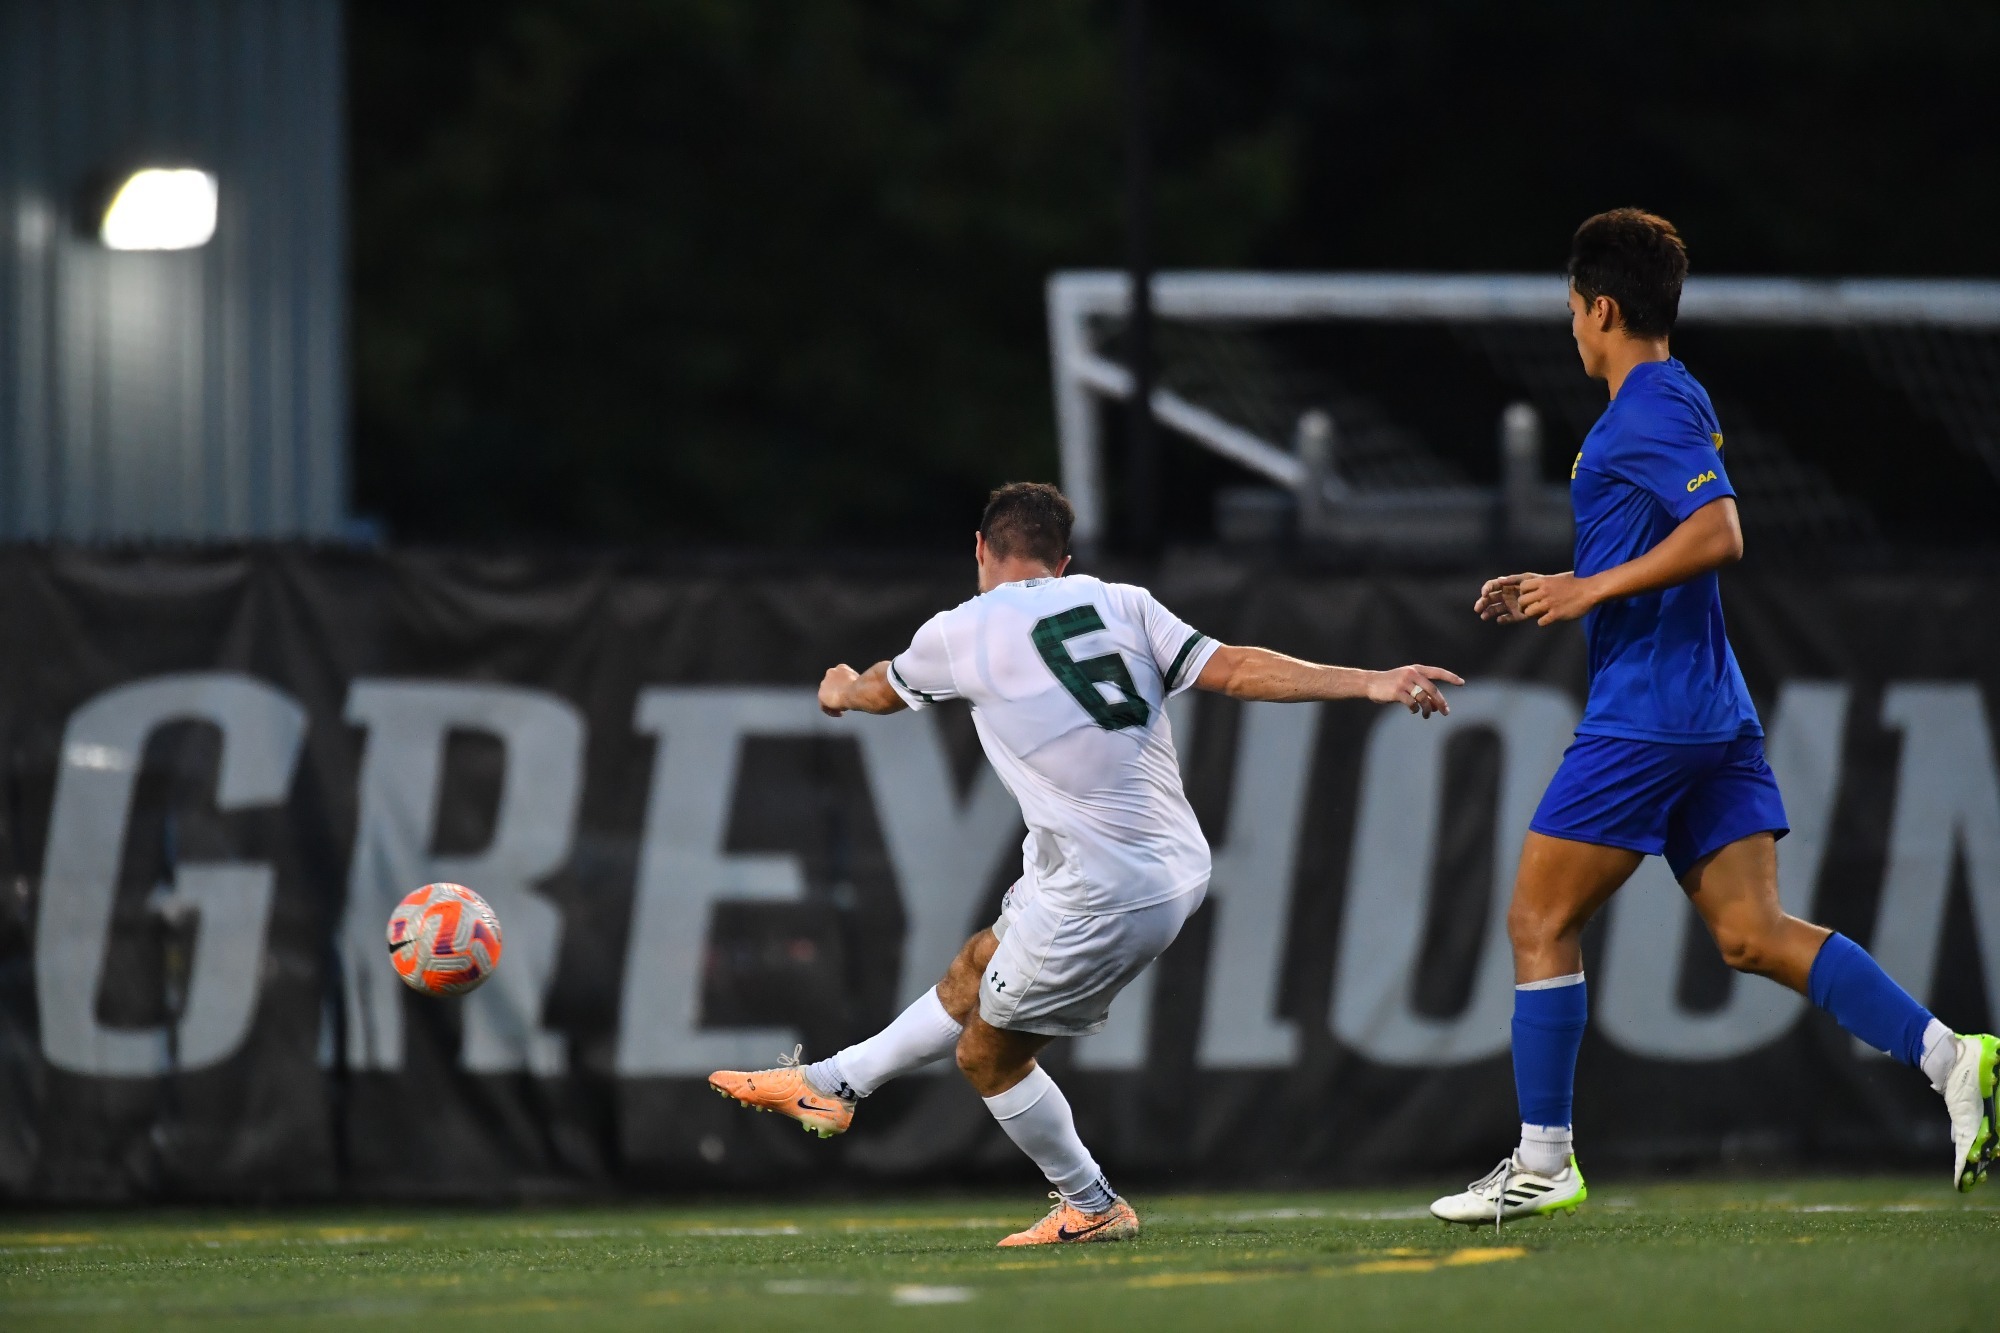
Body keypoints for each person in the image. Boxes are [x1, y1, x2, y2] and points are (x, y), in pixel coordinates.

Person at [1430, 208, 2000, 1228]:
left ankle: (1543, 1157)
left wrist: (1584, 595)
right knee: (1748, 933)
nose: (1570, 331)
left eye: (1573, 312)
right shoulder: (1672, 392)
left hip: (1648, 712)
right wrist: (1564, 580)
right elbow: (1668, 533)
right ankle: (1948, 1057)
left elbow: (1718, 531)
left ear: (1600, 309)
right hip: (1710, 710)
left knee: (1535, 920)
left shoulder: (1641, 408)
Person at [712, 480, 1463, 1246]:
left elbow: (878, 691)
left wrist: (838, 691)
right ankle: (830, 1085)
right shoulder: (1122, 602)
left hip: (1107, 887)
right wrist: (1370, 679)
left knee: (988, 1057)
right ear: (1062, 563)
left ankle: (1093, 1203)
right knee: (977, 966)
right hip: (1143, 859)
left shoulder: (961, 630)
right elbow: (1235, 668)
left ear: (980, 548)